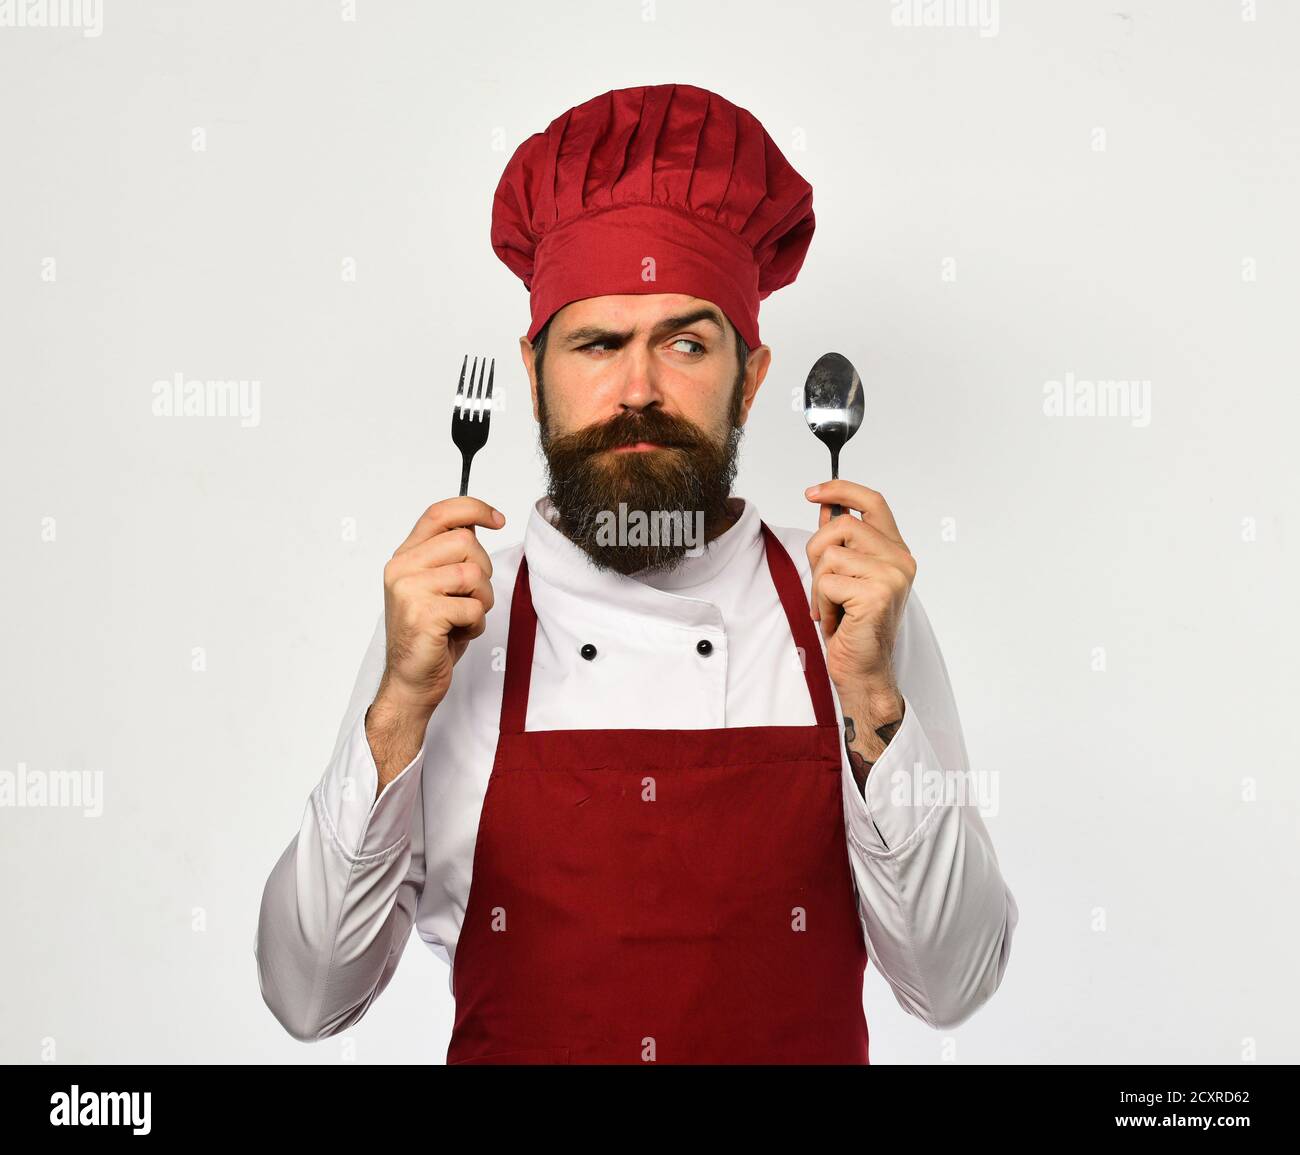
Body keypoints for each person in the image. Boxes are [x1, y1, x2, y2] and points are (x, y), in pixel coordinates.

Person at [255, 82, 1017, 1064]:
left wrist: (872, 702)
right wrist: (400, 706)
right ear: (533, 370)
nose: (638, 389)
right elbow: (306, 996)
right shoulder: (451, 616)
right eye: (598, 343)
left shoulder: (846, 601)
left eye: (686, 343)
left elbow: (951, 986)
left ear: (751, 377)